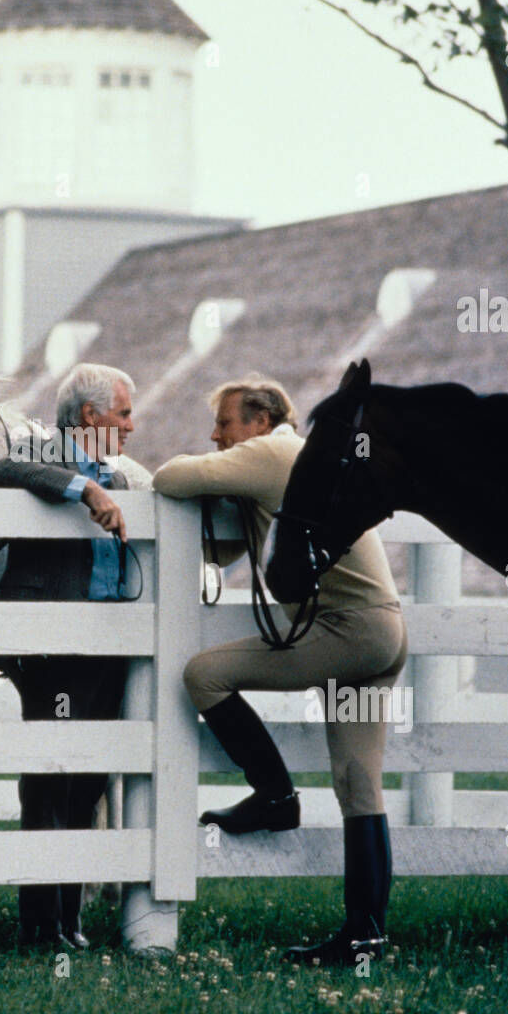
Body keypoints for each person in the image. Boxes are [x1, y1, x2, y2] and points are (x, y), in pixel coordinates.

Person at [152, 373, 408, 967]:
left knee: (203, 675)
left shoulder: (273, 452)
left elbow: (171, 477)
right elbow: (230, 551)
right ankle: (364, 936)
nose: (215, 435)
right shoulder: (294, 464)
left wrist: (213, 479)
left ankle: (273, 795)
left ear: (261, 420)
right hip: (382, 634)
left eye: (225, 422)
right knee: (358, 785)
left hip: (347, 633)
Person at [0, 363, 145, 950]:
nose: (132, 425)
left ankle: (69, 921)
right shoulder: (44, 459)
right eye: (123, 413)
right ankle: (38, 925)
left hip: (106, 648)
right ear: (89, 416)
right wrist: (85, 489)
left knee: (90, 782)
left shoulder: (122, 483)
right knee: (48, 779)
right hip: (55, 648)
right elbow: (0, 469)